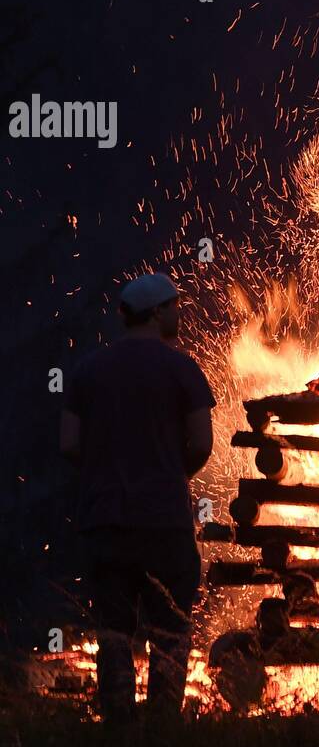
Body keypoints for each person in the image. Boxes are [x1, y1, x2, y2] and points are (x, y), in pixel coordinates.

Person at [59, 273, 215, 722]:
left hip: (105, 522)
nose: (179, 313)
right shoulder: (182, 369)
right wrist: (169, 474)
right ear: (159, 312)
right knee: (170, 633)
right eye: (175, 306)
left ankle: (118, 737)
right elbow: (201, 443)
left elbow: (69, 444)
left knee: (113, 631)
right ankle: (164, 737)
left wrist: (104, 474)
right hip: (164, 523)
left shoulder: (88, 370)